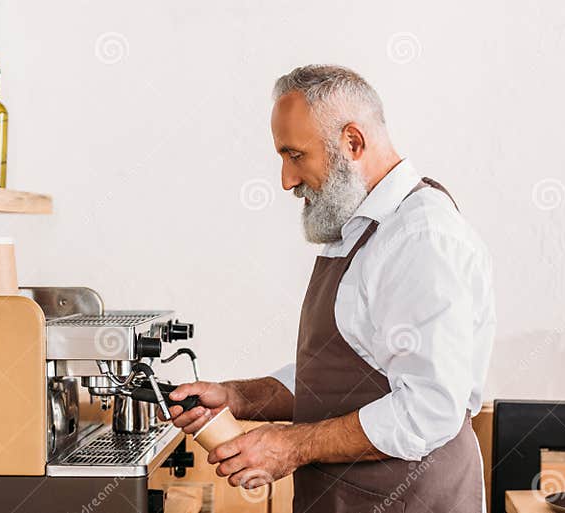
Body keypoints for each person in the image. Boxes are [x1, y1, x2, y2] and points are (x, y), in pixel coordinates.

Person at [166, 65, 495, 512]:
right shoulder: (358, 227)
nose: (286, 179)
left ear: (352, 142)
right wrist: (238, 397)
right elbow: (339, 379)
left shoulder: (421, 238)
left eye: (295, 155)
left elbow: (428, 409)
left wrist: (292, 446)